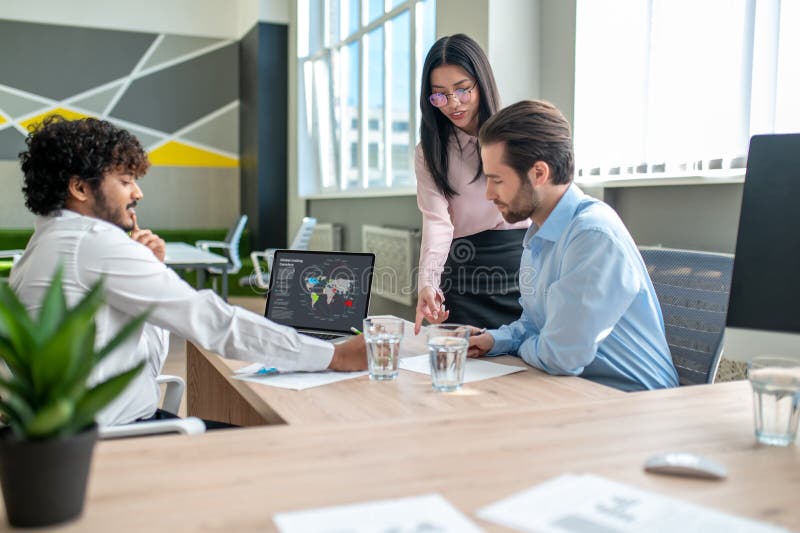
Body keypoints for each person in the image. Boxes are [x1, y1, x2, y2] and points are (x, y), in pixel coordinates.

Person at [10, 116, 366, 427]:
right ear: (80, 188)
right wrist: (335, 356)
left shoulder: (45, 244)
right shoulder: (93, 241)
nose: (138, 193)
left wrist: (152, 267)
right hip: (120, 440)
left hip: (91, 435)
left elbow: (148, 359)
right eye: (125, 180)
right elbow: (210, 320)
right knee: (279, 443)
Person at [467, 101, 679, 391]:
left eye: (497, 180)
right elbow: (537, 325)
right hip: (578, 389)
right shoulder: (540, 237)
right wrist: (496, 340)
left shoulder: (592, 236)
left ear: (539, 174)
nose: (489, 194)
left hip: (633, 401)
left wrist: (524, 346)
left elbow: (560, 356)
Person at [414, 34, 530, 334]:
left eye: (462, 90)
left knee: (527, 356)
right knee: (462, 359)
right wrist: (428, 282)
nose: (453, 104)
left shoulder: (517, 135)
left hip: (524, 270)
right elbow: (437, 222)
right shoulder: (430, 151)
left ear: (481, 82)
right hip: (464, 277)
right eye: (439, 95)